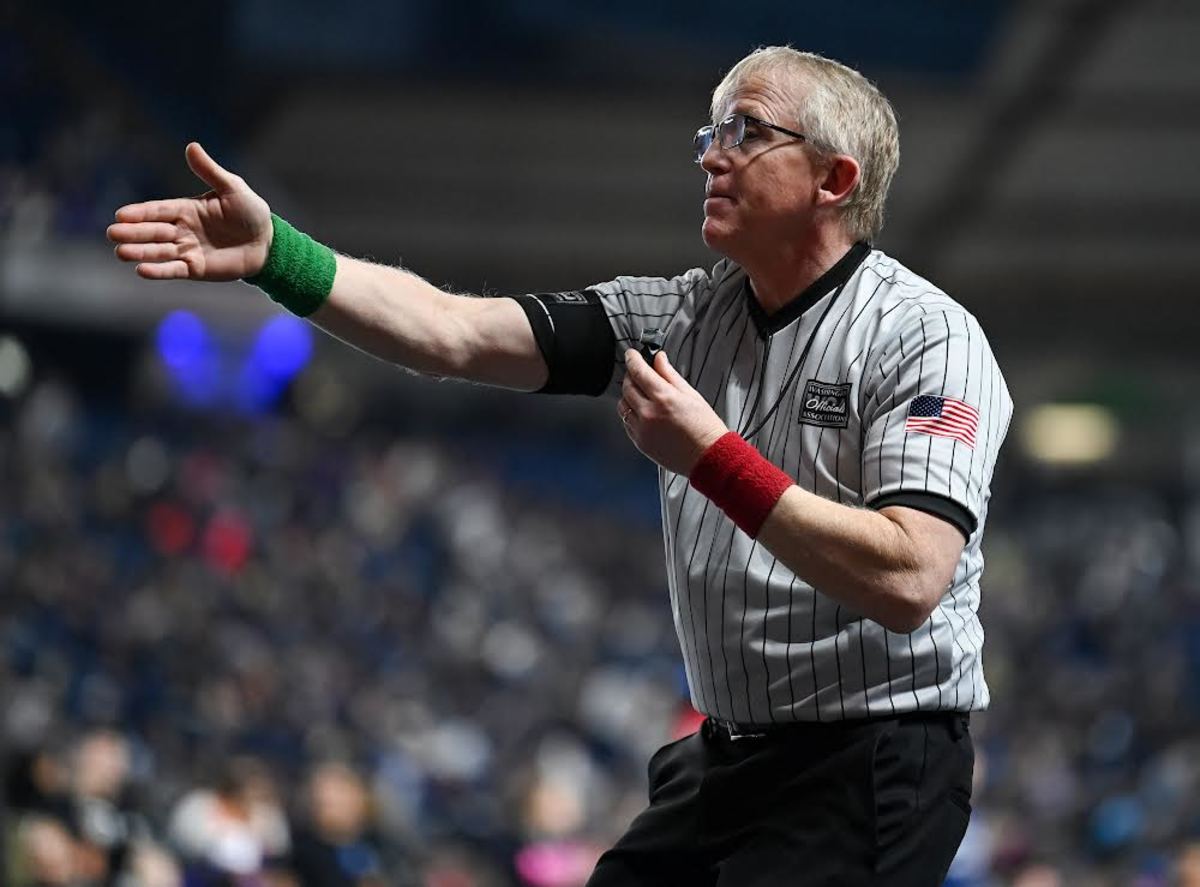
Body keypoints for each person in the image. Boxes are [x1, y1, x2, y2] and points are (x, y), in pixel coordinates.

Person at [109, 46, 1012, 886]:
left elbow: (910, 574)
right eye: (710, 133)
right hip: (732, 757)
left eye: (745, 130)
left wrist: (709, 456)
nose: (710, 156)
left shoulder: (924, 336)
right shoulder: (683, 318)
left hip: (874, 763)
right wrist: (280, 258)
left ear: (835, 177)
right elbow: (453, 333)